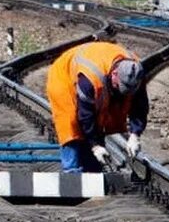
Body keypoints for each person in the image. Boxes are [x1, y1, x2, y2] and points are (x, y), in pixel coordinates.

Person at [45, 41, 149, 173]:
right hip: (63, 76)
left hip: (96, 66)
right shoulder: (90, 78)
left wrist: (135, 135)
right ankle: (71, 171)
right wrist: (95, 146)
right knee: (70, 125)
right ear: (114, 74)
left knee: (100, 121)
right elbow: (86, 115)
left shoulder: (136, 74)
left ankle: (92, 169)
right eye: (119, 87)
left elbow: (140, 106)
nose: (122, 91)